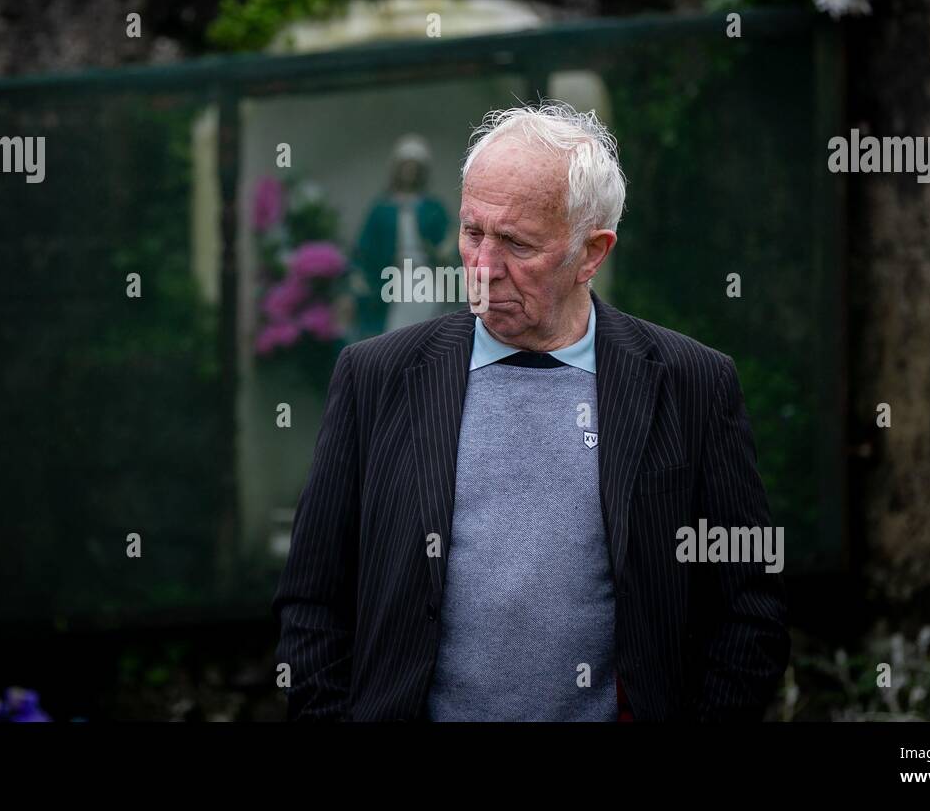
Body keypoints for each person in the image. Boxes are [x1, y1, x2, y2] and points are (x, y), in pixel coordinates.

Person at [272, 100, 789, 721]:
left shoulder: (692, 384)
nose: (483, 270)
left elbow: (749, 608)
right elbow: (311, 603)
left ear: (592, 253)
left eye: (516, 243)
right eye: (472, 232)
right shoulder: (376, 377)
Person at [353, 134, 451, 339]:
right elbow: (365, 247)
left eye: (415, 168)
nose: (410, 172)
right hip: (392, 277)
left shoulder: (432, 207)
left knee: (426, 330)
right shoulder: (382, 208)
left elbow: (450, 237)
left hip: (425, 276)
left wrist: (442, 251)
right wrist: (359, 275)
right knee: (395, 332)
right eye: (406, 167)